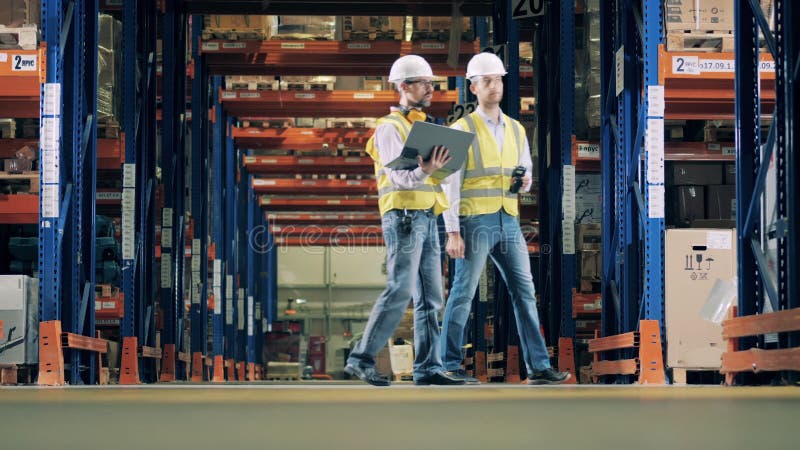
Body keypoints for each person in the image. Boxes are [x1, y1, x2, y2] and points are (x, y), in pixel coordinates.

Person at [440, 52, 571, 385]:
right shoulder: (460, 129)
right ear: (473, 88)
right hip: (474, 222)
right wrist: (452, 231)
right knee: (463, 292)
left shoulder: (515, 129)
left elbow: (524, 170)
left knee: (525, 292)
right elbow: (448, 184)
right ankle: (450, 365)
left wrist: (523, 180)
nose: (494, 86)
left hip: (508, 219)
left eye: (498, 80)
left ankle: (539, 366)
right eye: (486, 81)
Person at [345, 55, 464, 386]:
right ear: (403, 86)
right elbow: (397, 178)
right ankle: (361, 358)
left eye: (431, 83)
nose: (430, 89)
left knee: (431, 298)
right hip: (404, 218)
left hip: (426, 216)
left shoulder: (421, 128)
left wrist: (440, 169)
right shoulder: (389, 128)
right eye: (424, 83)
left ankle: (428, 367)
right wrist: (425, 169)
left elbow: (432, 178)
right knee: (399, 289)